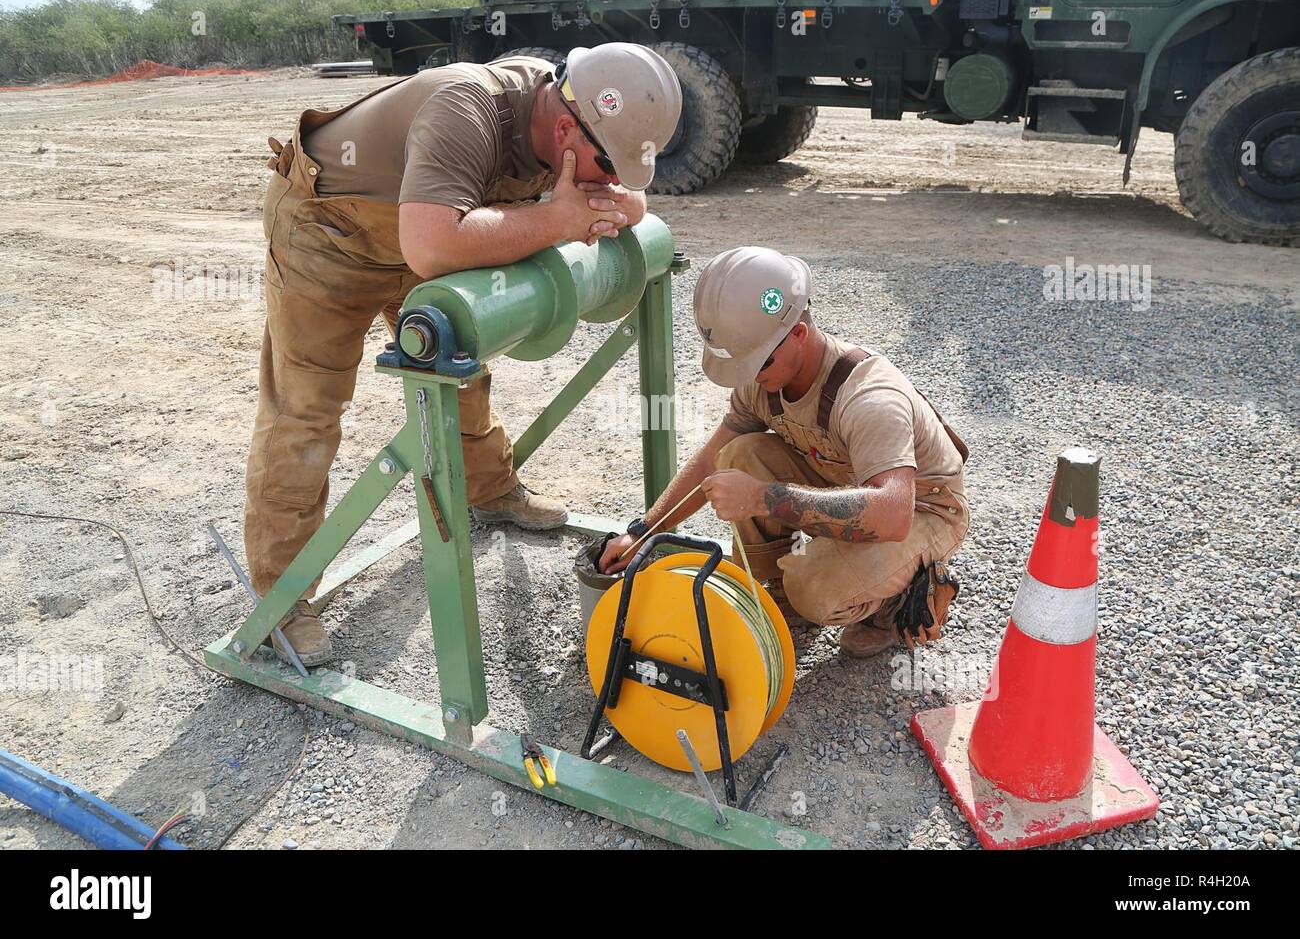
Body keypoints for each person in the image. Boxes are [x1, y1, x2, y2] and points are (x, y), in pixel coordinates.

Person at [246, 44, 682, 665]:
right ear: (565, 130)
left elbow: (631, 205)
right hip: (330, 233)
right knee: (307, 410)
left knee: (459, 361)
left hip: (423, 228)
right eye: (607, 166)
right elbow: (432, 245)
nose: (609, 183)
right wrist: (561, 220)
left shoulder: (573, 115)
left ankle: (490, 488)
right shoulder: (467, 108)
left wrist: (613, 199)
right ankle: (280, 601)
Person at [601, 247, 969, 657]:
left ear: (798, 334)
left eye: (757, 363)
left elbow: (892, 514)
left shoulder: (870, 399)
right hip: (846, 483)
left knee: (813, 586)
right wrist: (643, 532)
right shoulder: (764, 375)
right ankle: (781, 597)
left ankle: (890, 602)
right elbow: (710, 459)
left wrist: (762, 498)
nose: (749, 376)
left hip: (922, 509)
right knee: (739, 455)